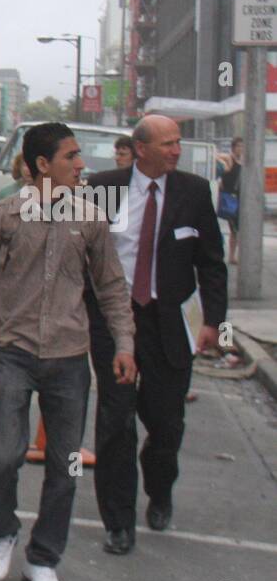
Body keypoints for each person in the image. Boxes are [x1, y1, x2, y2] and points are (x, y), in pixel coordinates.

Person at [0, 122, 137, 581]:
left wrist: (125, 343)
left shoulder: (90, 219)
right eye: (71, 156)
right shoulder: (2, 218)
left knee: (65, 464)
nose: (81, 164)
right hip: (12, 352)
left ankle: (43, 557)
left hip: (70, 358)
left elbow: (111, 287)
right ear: (42, 165)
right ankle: (3, 530)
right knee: (3, 455)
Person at [83, 115, 228, 554]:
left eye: (178, 143)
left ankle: (160, 489)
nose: (176, 150)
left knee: (166, 424)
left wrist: (214, 323)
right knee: (116, 420)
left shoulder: (193, 192)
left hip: (170, 323)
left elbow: (212, 263)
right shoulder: (104, 186)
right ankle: (118, 521)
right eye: (167, 143)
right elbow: (80, 251)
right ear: (141, 148)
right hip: (115, 319)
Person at [217, 136, 242, 266]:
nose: (241, 149)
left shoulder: (242, 161)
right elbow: (215, 156)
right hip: (227, 197)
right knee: (234, 228)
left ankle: (232, 256)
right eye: (238, 146)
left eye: (242, 146)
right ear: (233, 147)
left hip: (237, 198)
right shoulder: (229, 158)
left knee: (236, 229)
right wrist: (223, 170)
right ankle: (231, 256)